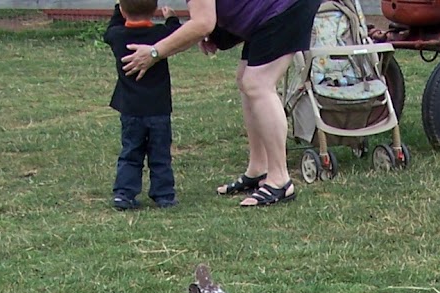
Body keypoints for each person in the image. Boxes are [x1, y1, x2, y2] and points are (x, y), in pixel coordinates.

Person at [117, 0, 316, 208]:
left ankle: (280, 180)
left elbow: (202, 24)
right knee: (245, 80)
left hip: (288, 6)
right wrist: (215, 34)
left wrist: (154, 52)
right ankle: (259, 169)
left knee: (258, 84)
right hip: (268, 13)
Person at [104, 0, 180, 210]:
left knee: (130, 152)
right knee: (161, 154)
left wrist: (118, 8)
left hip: (130, 110)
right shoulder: (160, 36)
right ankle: (164, 194)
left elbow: (109, 30)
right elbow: (178, 35)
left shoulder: (118, 36)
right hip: (159, 109)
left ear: (121, 10)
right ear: (154, 10)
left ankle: (124, 193)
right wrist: (171, 18)